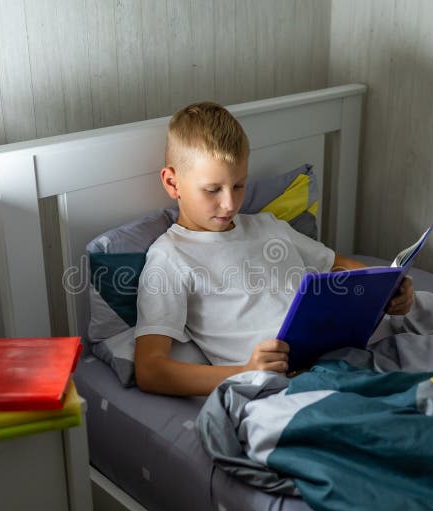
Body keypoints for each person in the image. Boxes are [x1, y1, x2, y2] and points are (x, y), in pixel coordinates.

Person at [134, 102, 414, 396]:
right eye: (213, 189)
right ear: (172, 182)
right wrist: (244, 372)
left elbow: (338, 266)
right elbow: (150, 369)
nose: (230, 204)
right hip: (284, 386)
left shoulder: (268, 227)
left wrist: (390, 287)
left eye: (239, 185)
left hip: (345, 357)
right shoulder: (170, 258)